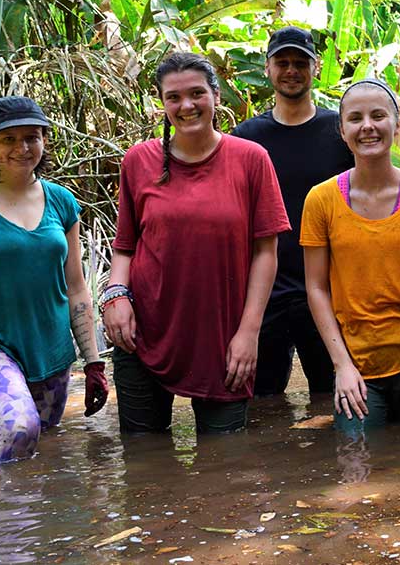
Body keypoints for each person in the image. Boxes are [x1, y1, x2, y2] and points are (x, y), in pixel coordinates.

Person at [103, 52, 289, 434]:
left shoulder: (251, 159)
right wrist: (115, 296)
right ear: (162, 104)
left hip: (222, 336)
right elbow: (125, 246)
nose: (186, 105)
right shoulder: (138, 160)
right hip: (142, 331)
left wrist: (249, 333)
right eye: (173, 97)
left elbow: (265, 253)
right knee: (143, 457)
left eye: (196, 94)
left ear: (216, 96)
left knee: (225, 459)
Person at [0, 96, 108, 463]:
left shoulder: (62, 201)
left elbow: (76, 287)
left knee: (45, 448)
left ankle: (17, 501)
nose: (22, 148)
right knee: (20, 428)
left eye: (31, 137)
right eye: (8, 139)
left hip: (52, 352)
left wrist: (93, 363)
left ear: (44, 141)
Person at [300, 79, 400, 432]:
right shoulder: (321, 200)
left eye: (378, 116)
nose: (368, 126)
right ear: (342, 131)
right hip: (356, 364)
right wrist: (342, 366)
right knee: (356, 455)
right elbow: (316, 288)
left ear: (397, 125)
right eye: (355, 118)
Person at [231, 27, 353, 396]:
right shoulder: (245, 138)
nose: (291, 70)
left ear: (316, 68)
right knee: (261, 403)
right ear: (267, 68)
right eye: (282, 62)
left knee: (334, 399)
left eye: (300, 63)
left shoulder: (341, 132)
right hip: (265, 294)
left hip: (329, 292)